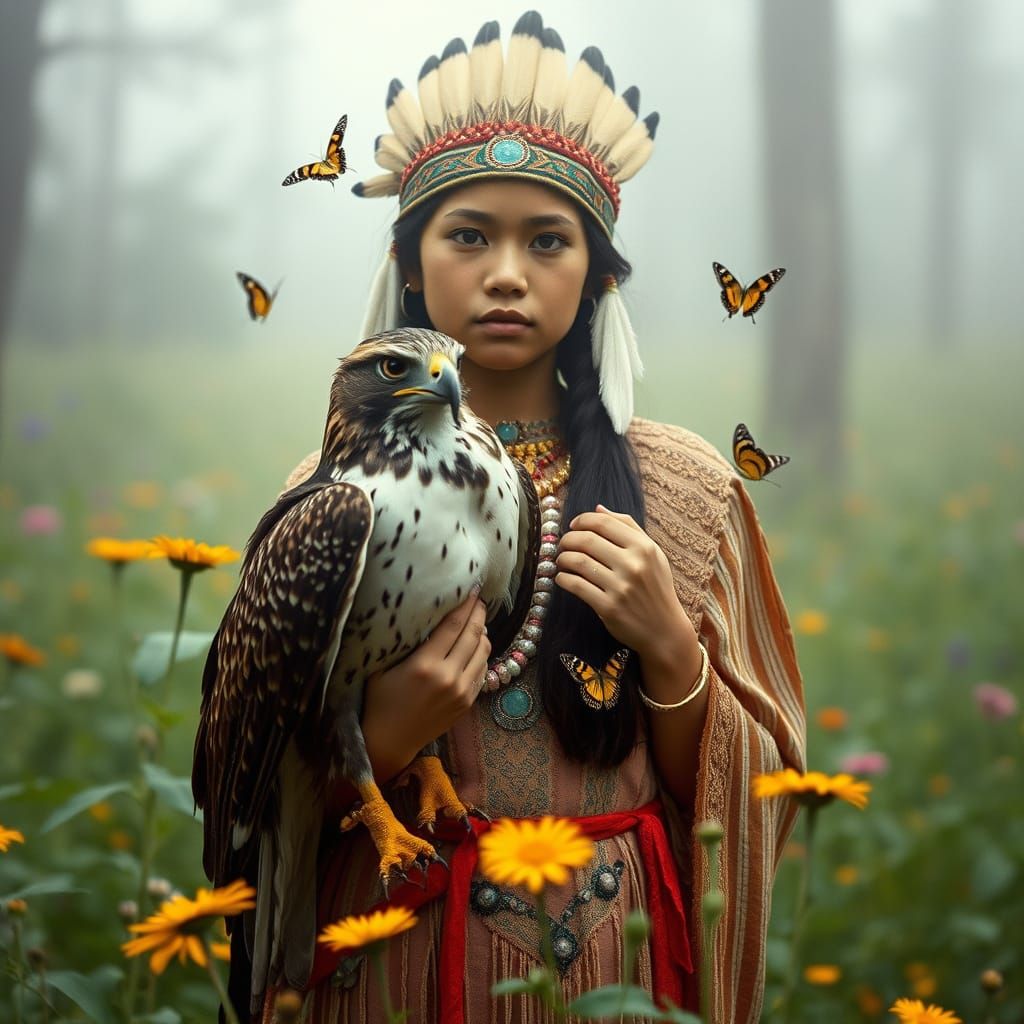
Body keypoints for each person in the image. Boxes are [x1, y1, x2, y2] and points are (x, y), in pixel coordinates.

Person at [264, 12, 805, 1024]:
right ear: (414, 263)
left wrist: (671, 656)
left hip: (615, 963)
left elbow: (759, 800)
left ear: (594, 275)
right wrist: (382, 739)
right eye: (468, 234)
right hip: (390, 960)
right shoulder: (329, 497)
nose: (506, 272)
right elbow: (253, 791)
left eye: (546, 239)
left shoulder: (687, 490)